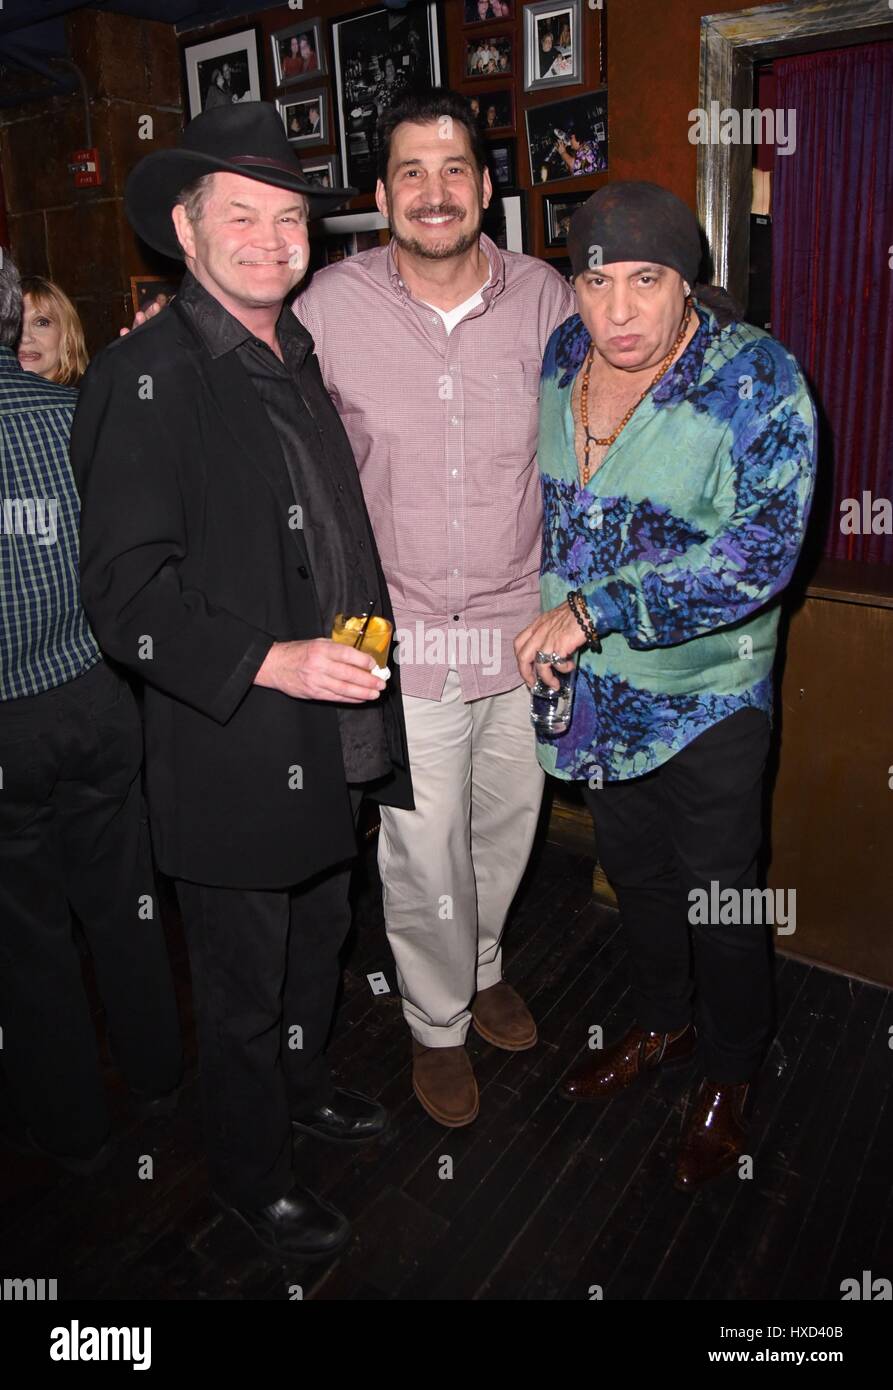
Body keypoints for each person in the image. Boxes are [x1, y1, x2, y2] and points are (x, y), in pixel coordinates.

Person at [71, 102, 413, 1257]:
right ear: (184, 225)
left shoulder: (294, 347)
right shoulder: (143, 374)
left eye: (289, 216)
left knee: (321, 936)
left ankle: (303, 1084)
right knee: (238, 981)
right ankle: (247, 1175)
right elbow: (124, 599)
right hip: (235, 742)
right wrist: (270, 659)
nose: (272, 238)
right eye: (242, 216)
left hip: (339, 726)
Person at [515, 182, 817, 1190]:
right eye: (595, 282)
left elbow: (762, 553)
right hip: (597, 700)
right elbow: (554, 511)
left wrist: (596, 611)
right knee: (633, 878)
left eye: (646, 281)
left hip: (708, 697)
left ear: (684, 282)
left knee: (721, 896)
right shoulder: (562, 355)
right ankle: (659, 1024)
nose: (619, 312)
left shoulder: (757, 378)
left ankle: (730, 1073)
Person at [294, 89, 576, 1128]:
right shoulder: (327, 307)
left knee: (505, 828)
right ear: (379, 196)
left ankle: (485, 959)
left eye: (452, 167)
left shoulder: (546, 296)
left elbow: (617, 405)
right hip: (397, 632)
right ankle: (434, 1020)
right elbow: (262, 419)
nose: (432, 191)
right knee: (420, 845)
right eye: (408, 171)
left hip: (524, 630)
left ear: (486, 186)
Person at [0, 251, 182, 1175]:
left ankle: (70, 1123)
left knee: (28, 932)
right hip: (99, 696)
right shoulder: (75, 415)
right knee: (125, 899)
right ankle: (156, 1068)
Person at [18, 275, 89, 385]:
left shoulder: (92, 398)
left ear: (68, 338)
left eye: (42, 323)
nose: (25, 338)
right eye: (15, 323)